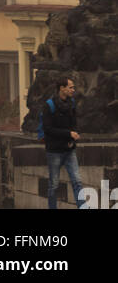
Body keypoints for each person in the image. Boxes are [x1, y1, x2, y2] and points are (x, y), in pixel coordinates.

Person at [43, 77, 87, 209]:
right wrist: (68, 134)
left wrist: (73, 138)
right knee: (54, 185)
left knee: (77, 182)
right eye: (70, 87)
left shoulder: (71, 103)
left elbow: (74, 123)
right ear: (62, 88)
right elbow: (48, 129)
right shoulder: (49, 105)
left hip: (69, 149)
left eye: (73, 87)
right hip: (54, 151)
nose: (73, 90)